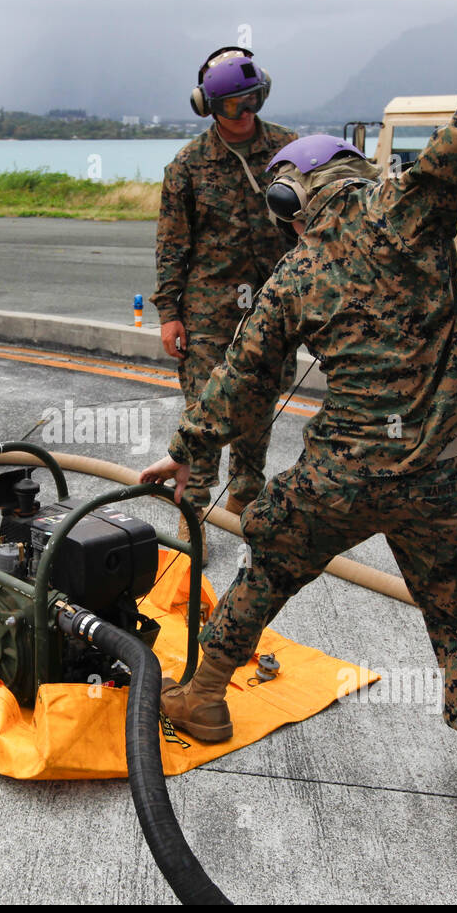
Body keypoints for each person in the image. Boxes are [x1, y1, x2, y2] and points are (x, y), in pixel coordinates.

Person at [141, 0, 457, 837]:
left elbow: (234, 383)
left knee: (269, 565)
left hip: (339, 472)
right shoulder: (413, 210)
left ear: (293, 206)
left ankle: (205, 696)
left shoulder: (293, 278)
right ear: (358, 175)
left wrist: (186, 451)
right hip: (436, 475)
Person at [149, 46, 300, 563]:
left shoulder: (290, 150)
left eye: (253, 100)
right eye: (233, 105)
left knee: (259, 406)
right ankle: (192, 515)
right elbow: (172, 245)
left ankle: (245, 494)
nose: (246, 115)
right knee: (205, 410)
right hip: (207, 311)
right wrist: (169, 314)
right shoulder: (187, 167)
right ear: (208, 107)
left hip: (274, 305)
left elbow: (320, 219)